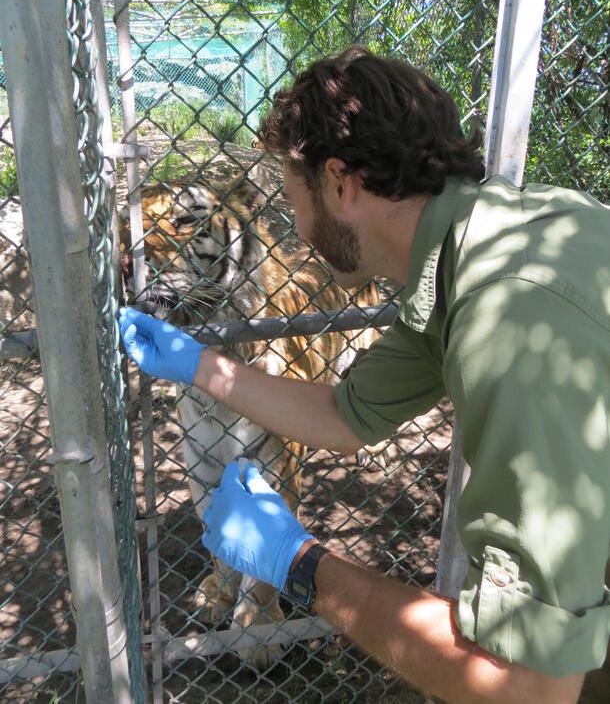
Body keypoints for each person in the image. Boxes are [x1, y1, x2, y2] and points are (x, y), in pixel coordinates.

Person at [119, 46, 610, 704]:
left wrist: (301, 565)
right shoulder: (485, 243)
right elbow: (348, 415)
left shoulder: (506, 319)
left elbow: (523, 684)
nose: (293, 227)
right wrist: (196, 363)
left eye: (293, 202)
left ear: (341, 183)